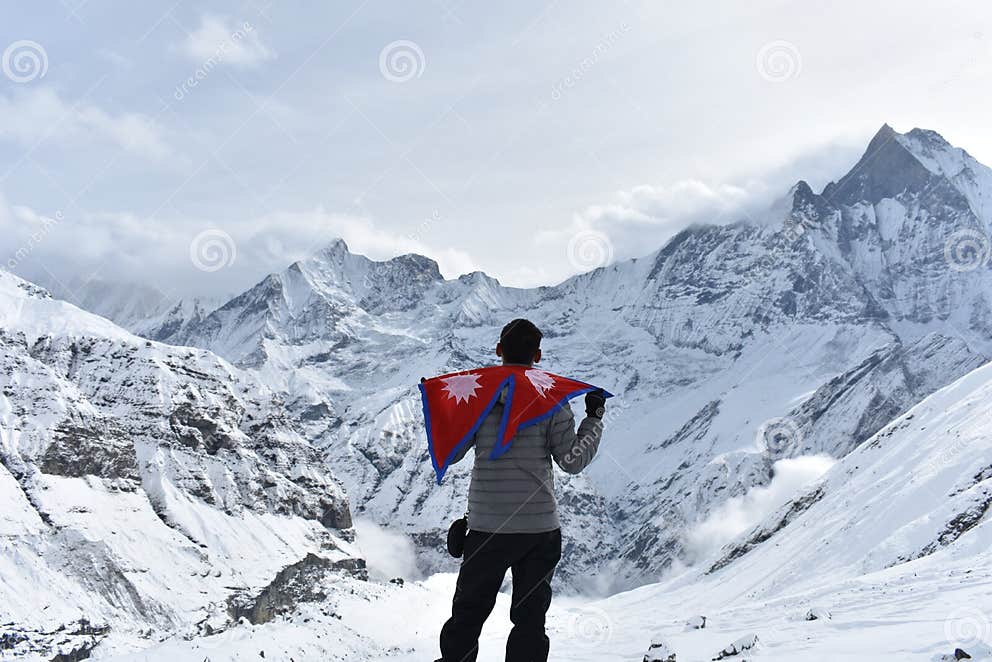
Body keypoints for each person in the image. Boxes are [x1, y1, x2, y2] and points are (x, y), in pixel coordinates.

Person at [436, 318, 607, 662]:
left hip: (486, 529)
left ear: (499, 350)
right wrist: (594, 417)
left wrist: (447, 414)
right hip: (539, 530)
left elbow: (451, 454)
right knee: (530, 620)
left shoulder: (478, 399)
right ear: (538, 356)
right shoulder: (553, 399)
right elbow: (571, 461)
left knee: (468, 613)